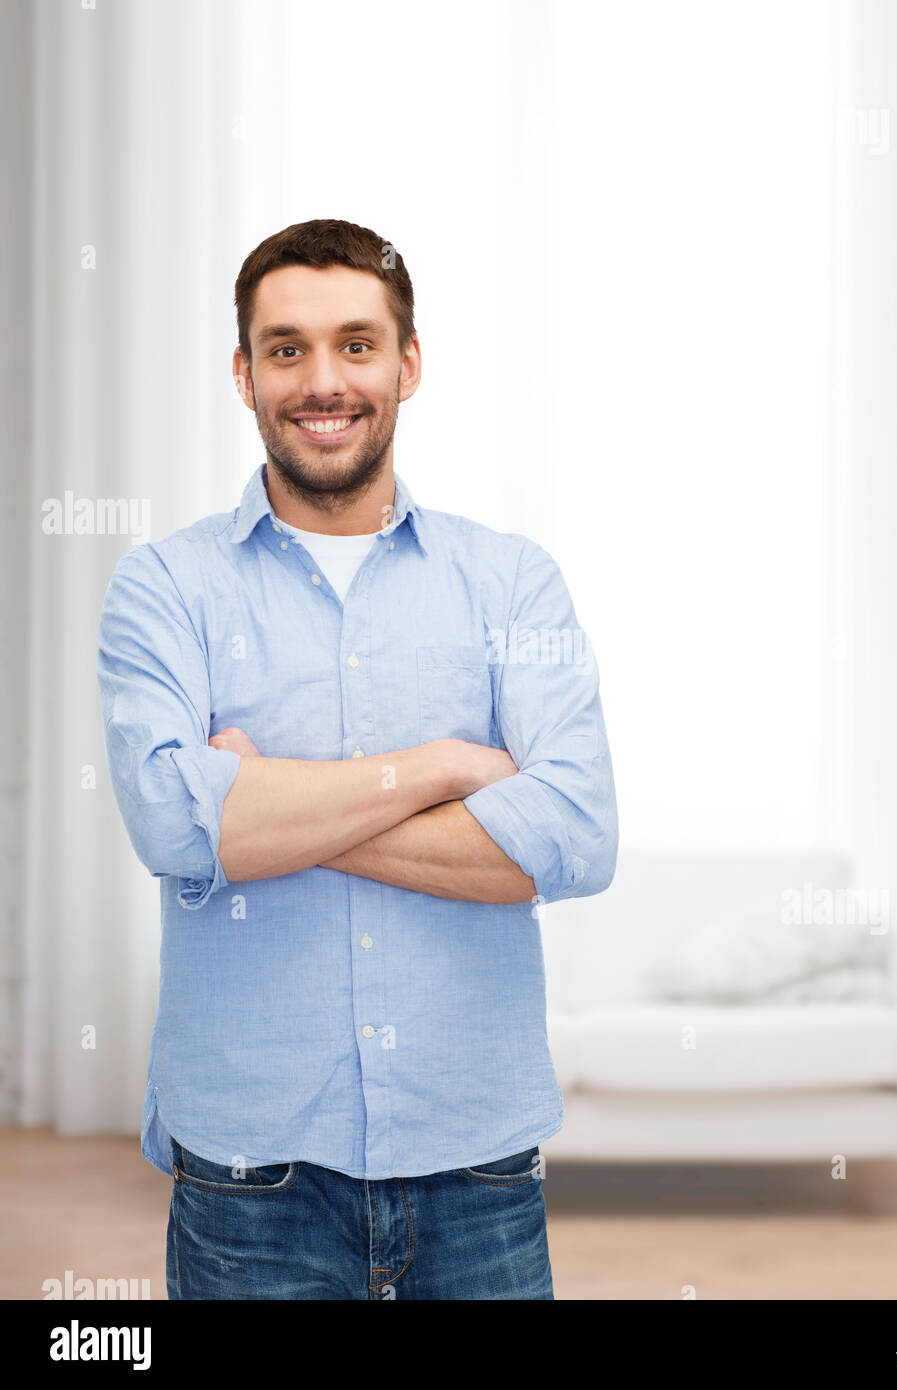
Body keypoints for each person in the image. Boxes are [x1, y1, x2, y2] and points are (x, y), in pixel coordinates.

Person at [96, 219, 618, 1300]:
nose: (321, 380)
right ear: (242, 375)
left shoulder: (514, 583)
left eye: (356, 344)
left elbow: (572, 836)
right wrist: (441, 766)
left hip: (477, 1165)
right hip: (250, 1179)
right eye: (285, 349)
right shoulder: (163, 587)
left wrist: (259, 811)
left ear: (408, 363)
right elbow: (171, 825)